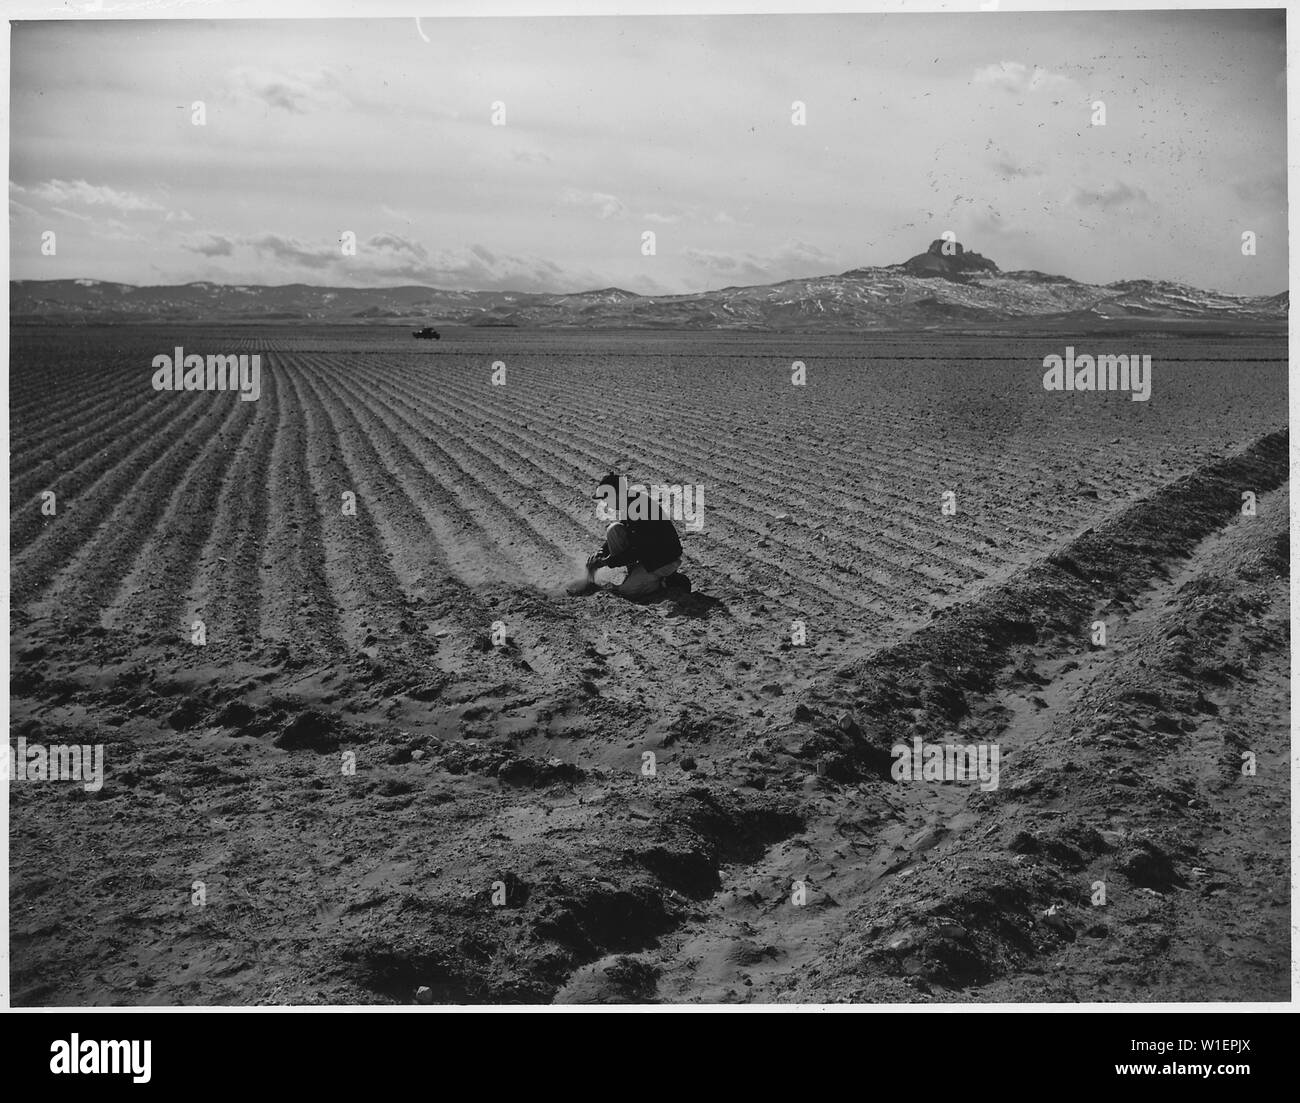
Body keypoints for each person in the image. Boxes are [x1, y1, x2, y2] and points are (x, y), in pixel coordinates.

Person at [576, 473, 690, 597]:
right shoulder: (631, 503)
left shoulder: (639, 508)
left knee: (626, 591)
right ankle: (635, 573)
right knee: (614, 529)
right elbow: (630, 537)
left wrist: (607, 562)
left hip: (663, 561)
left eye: (606, 499)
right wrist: (601, 552)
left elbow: (638, 550)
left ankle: (668, 581)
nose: (606, 504)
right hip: (650, 557)